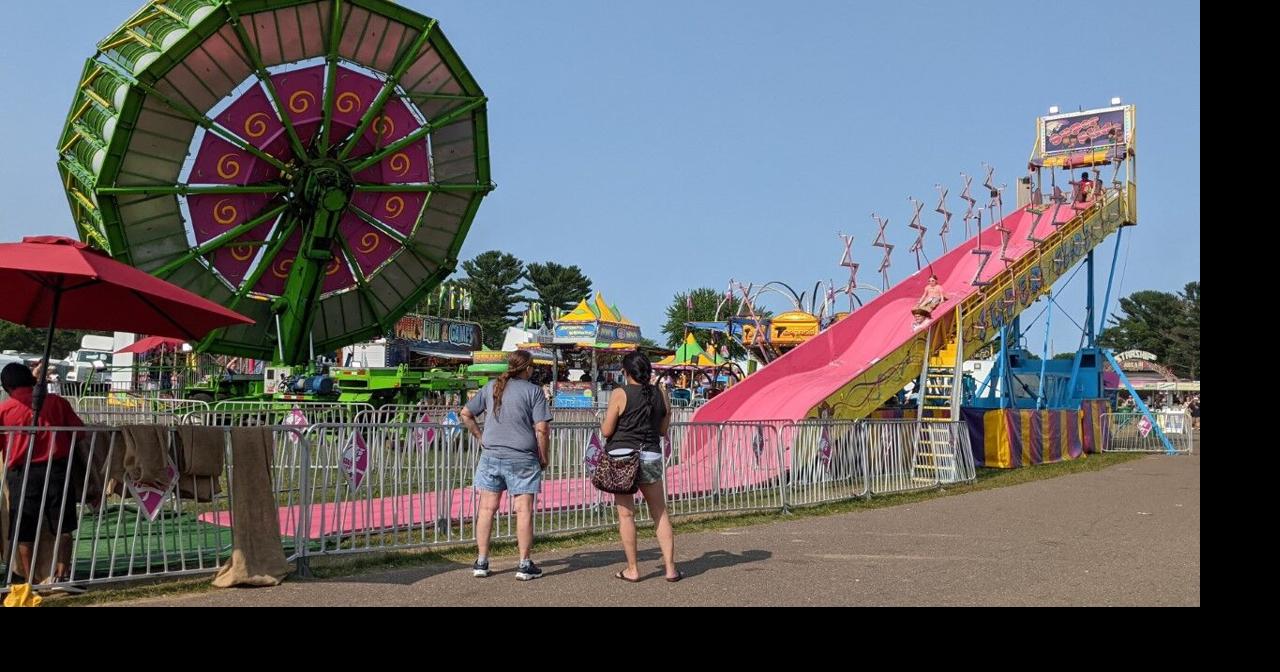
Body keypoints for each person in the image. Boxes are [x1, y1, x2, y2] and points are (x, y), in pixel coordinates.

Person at [459, 351, 552, 581]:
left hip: (491, 456)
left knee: (487, 509)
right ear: (527, 368)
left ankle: (481, 561)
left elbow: (466, 413)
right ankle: (524, 563)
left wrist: (480, 437)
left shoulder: (492, 386)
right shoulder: (534, 392)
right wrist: (544, 456)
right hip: (522, 457)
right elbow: (542, 429)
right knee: (523, 510)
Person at [0, 363, 85, 586]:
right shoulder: (57, 403)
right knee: (63, 525)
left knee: (23, 528)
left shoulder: (6, 409)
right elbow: (80, 433)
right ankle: (61, 575)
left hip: (21, 473)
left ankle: (29, 580)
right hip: (57, 470)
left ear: (6, 386)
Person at [600, 352, 681, 583]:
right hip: (650, 455)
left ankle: (633, 569)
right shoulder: (660, 394)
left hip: (622, 456)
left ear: (626, 373)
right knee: (659, 512)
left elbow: (607, 431)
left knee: (626, 514)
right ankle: (670, 569)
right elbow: (663, 430)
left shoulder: (620, 393)